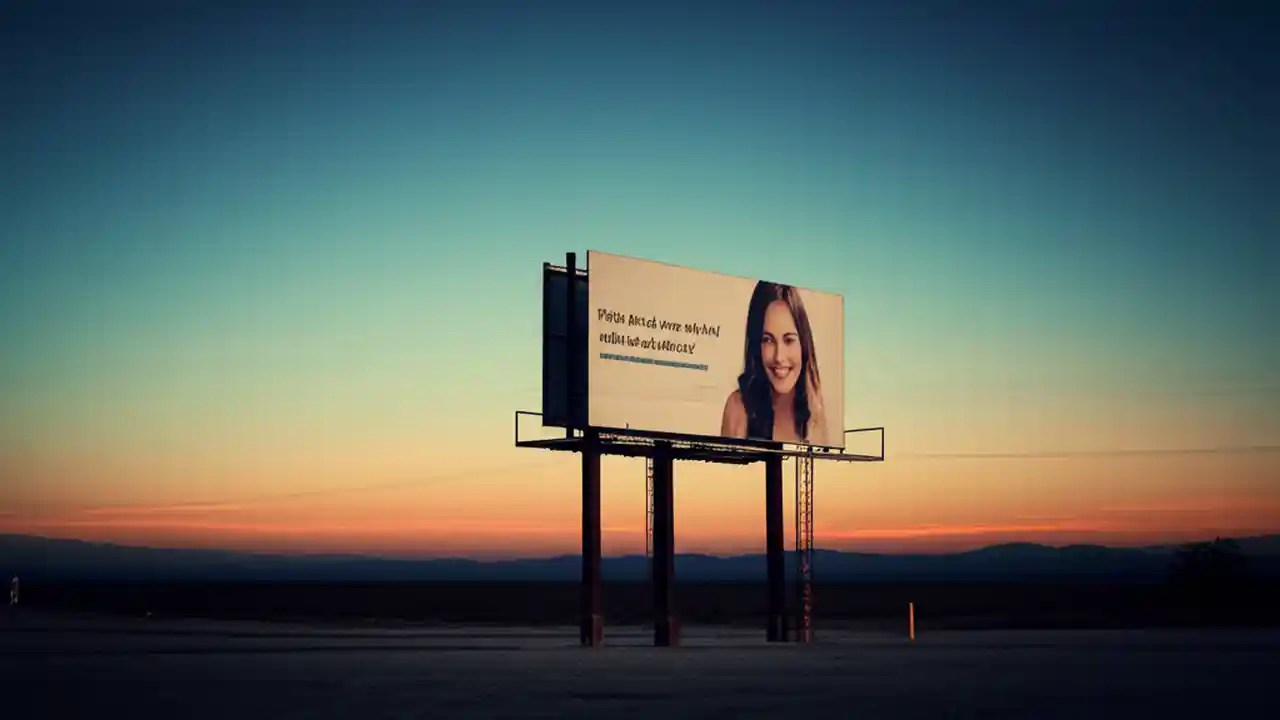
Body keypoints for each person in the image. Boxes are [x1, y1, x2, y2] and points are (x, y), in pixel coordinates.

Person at [721, 281, 828, 445]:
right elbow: (727, 470)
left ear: (804, 344)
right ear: (757, 345)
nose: (779, 356)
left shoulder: (816, 409)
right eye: (768, 340)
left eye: (789, 340)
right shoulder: (739, 408)